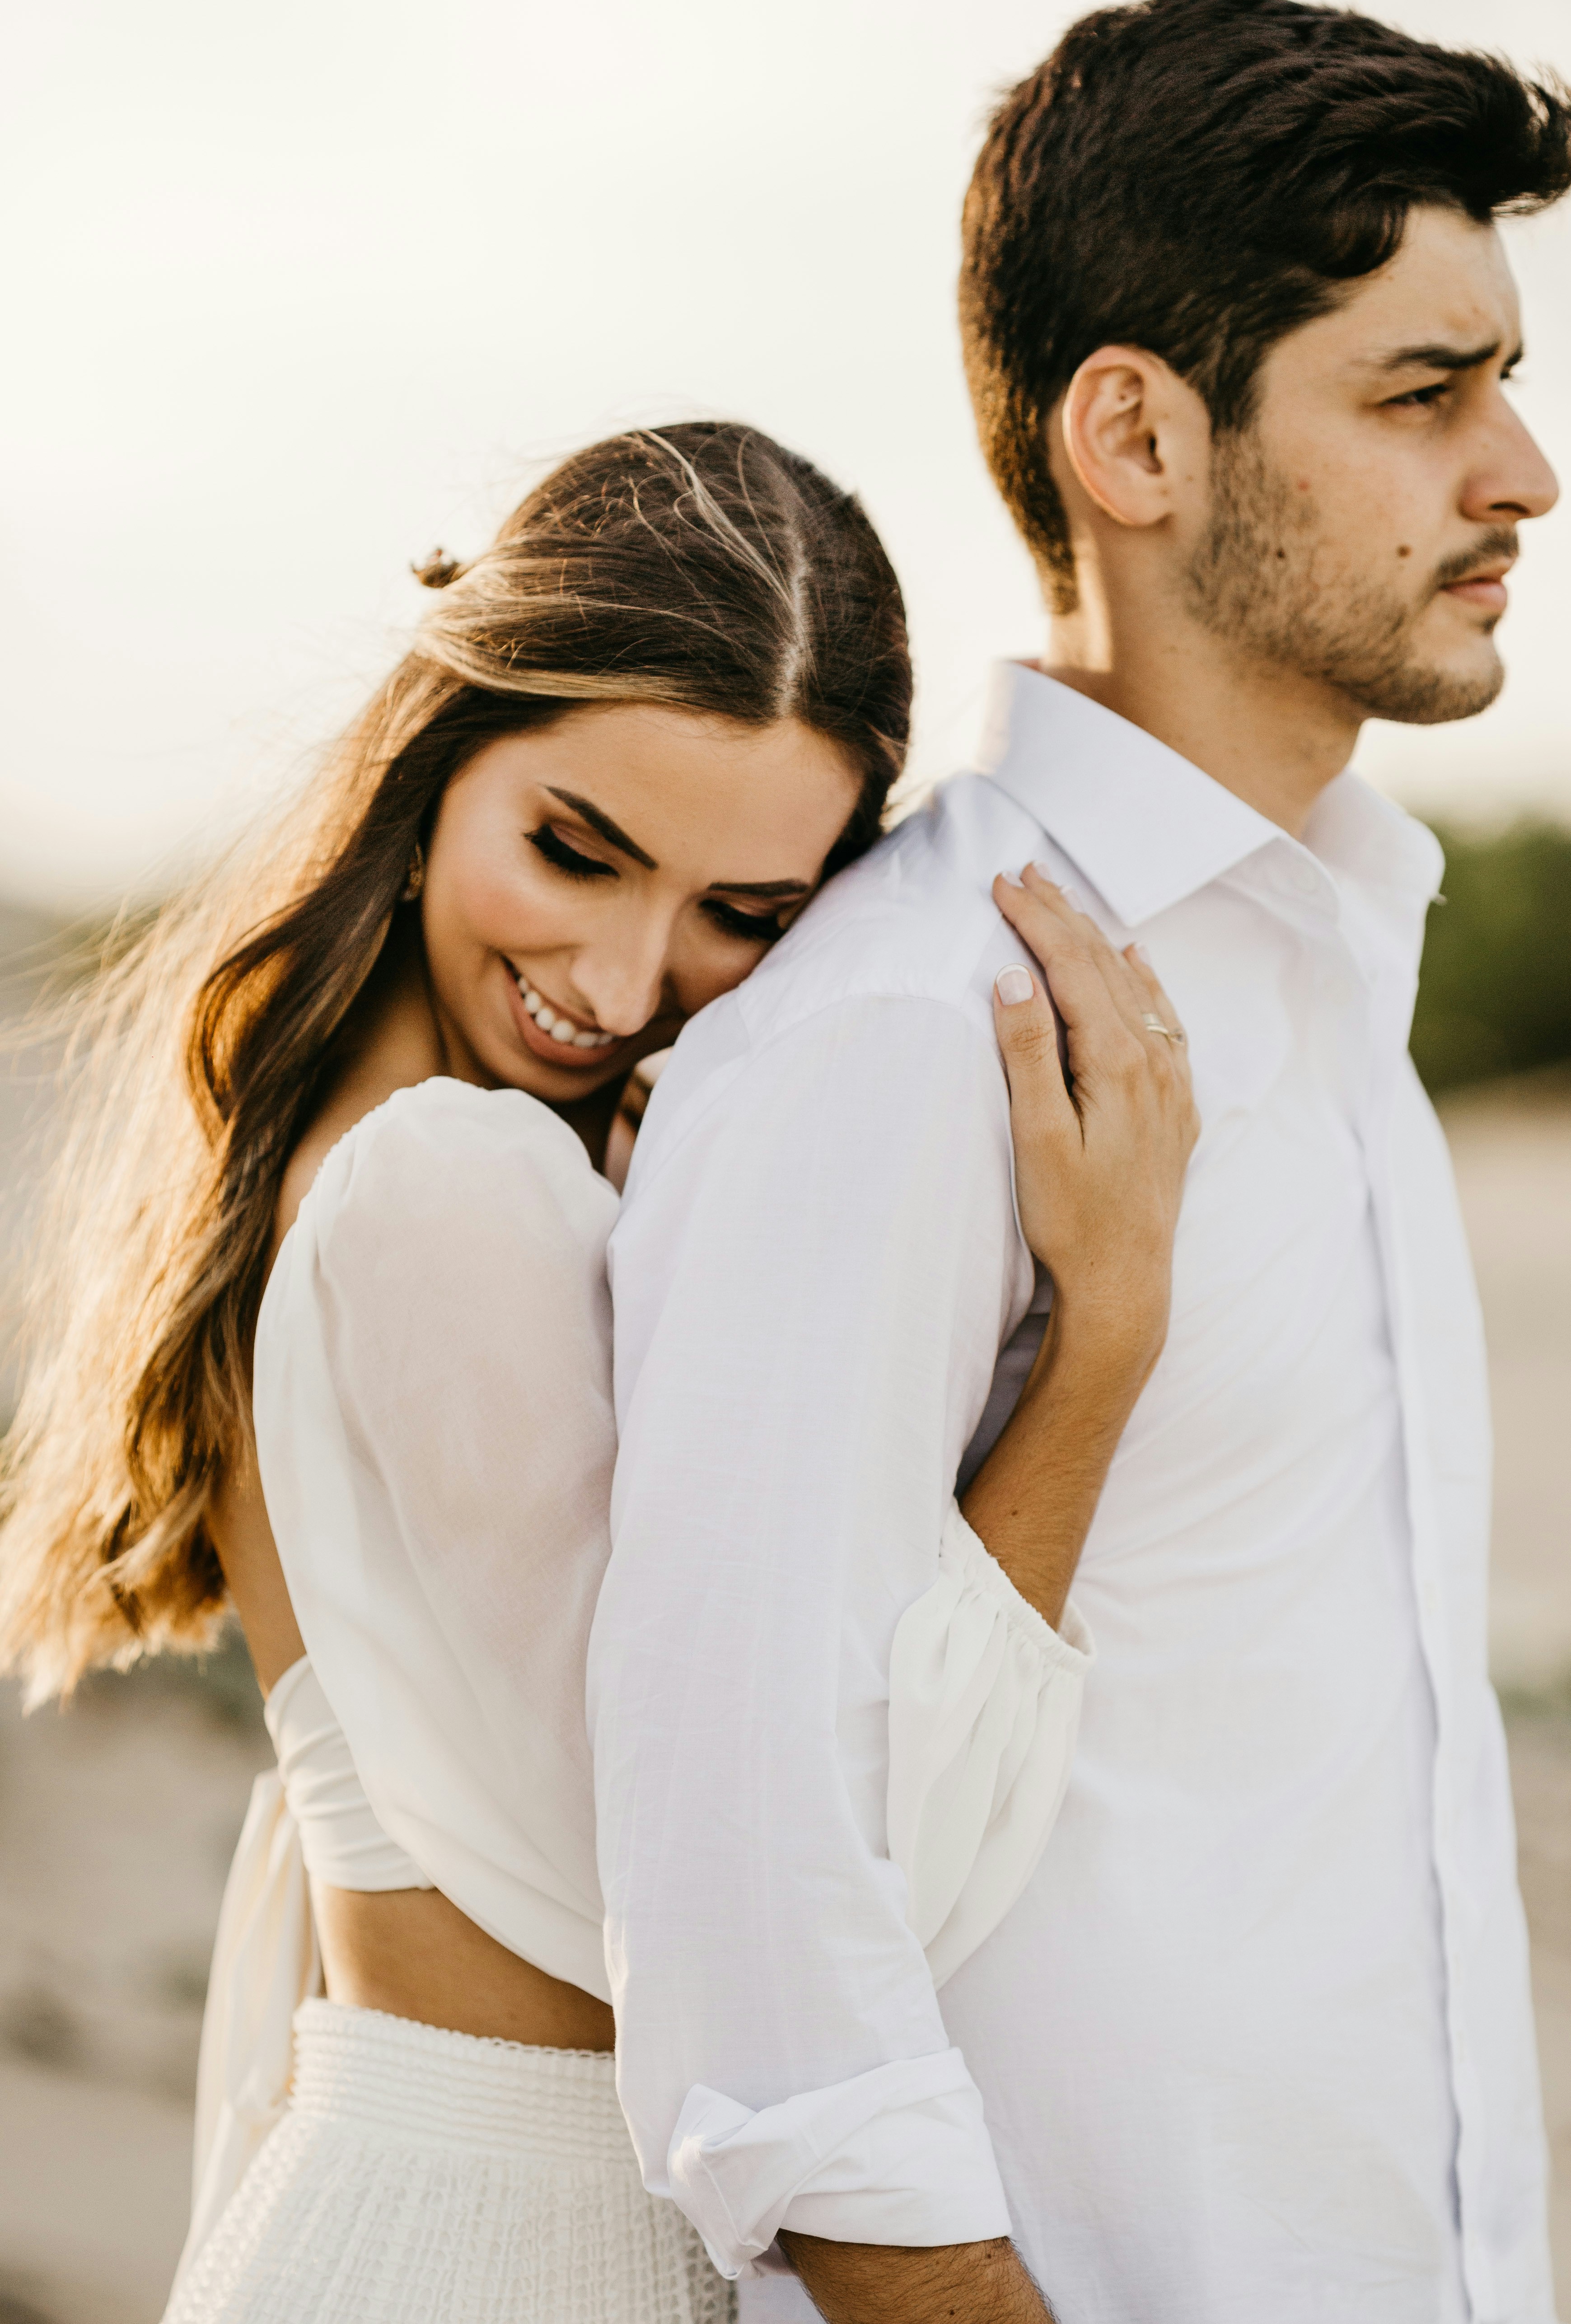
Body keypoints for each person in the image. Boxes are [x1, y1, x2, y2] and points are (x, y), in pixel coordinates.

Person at [590, 0, 1571, 2322]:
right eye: (1424, 395)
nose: (1526, 472)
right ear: (1137, 436)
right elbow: (757, 1942)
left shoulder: (1330, 979)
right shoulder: (904, 1035)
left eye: (1509, 382)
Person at [0, 424, 1195, 2322]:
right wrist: (1104, 1340)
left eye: (744, 917)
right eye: (576, 850)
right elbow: (775, 1885)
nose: (627, 987)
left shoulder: (347, 1145)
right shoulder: (444, 1189)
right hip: (499, 2244)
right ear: (439, 745)